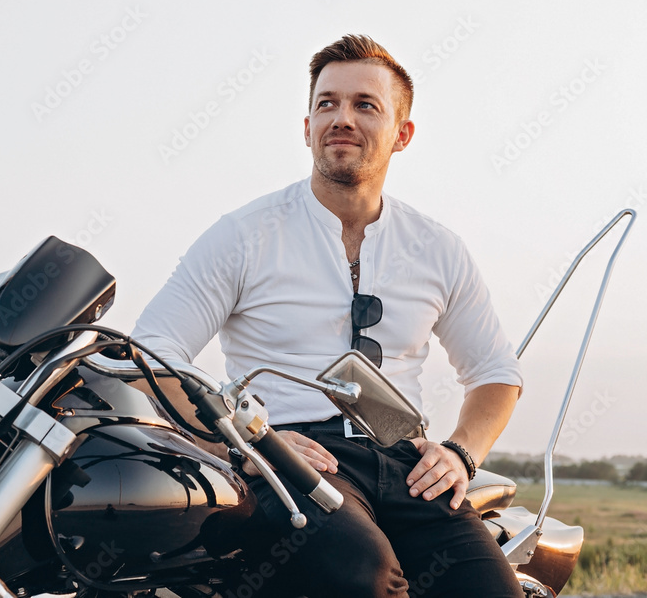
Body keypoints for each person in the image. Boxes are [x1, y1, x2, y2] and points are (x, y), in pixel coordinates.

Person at [131, 34, 525, 597]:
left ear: (402, 134)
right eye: (327, 103)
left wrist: (461, 451)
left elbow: (495, 373)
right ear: (308, 127)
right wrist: (245, 446)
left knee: (492, 590)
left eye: (365, 105)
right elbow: (155, 355)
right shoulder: (243, 235)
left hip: (404, 462)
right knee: (362, 574)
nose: (342, 117)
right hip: (288, 457)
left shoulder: (438, 247)